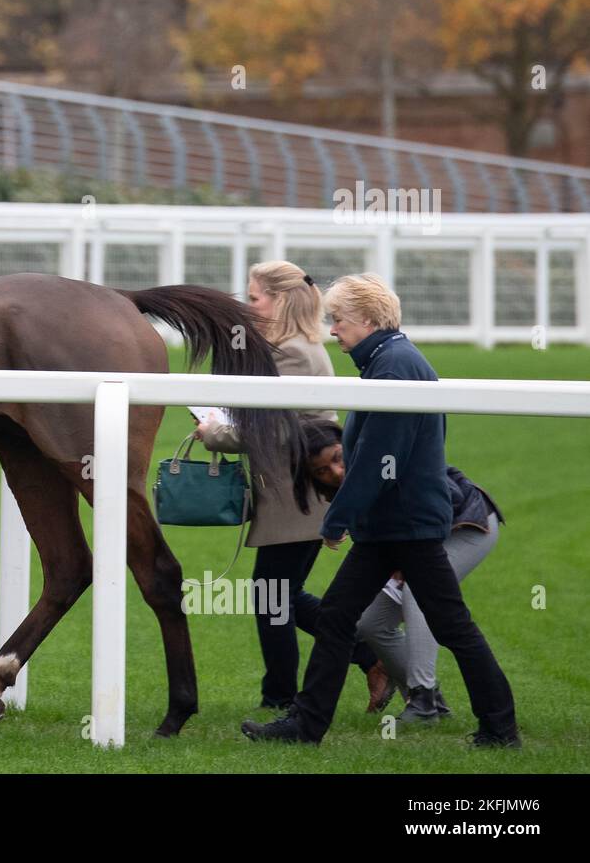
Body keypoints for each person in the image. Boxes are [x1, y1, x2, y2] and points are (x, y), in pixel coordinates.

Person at [242, 273, 520, 748]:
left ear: (368, 320)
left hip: (406, 527)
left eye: (340, 320)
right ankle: (304, 727)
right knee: (335, 616)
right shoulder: (388, 360)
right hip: (394, 525)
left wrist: (337, 520)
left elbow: (377, 463)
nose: (333, 330)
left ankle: (500, 728)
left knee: (452, 626)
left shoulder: (393, 366)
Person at [195, 261, 391, 713]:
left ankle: (283, 695)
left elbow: (275, 430)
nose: (248, 306)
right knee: (279, 595)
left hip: (299, 495)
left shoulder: (296, 353)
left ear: (279, 300)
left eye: (255, 297)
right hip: (296, 493)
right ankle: (366, 660)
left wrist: (216, 434)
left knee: (271, 597)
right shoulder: (293, 348)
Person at [303, 417, 506, 726]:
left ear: (346, 445)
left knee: (417, 593)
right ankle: (433, 702)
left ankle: (422, 700)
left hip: (469, 524)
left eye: (336, 458)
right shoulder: (353, 481)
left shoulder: (379, 459)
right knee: (371, 624)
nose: (336, 472)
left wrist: (409, 560)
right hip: (415, 539)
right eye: (322, 471)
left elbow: (446, 503)